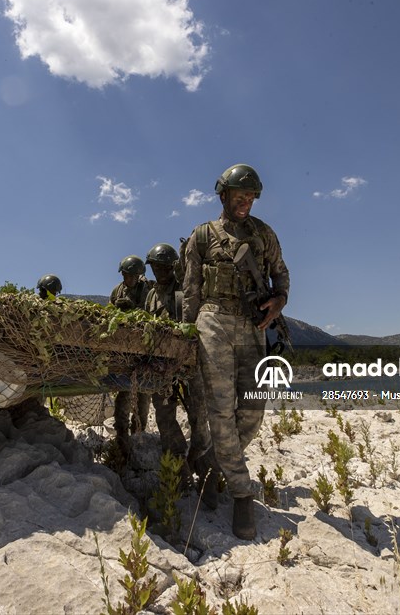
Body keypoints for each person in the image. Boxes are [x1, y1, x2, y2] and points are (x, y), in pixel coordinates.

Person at [181, 163, 289, 540]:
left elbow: (281, 274)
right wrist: (186, 335)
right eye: (239, 196)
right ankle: (242, 492)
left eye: (251, 197)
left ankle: (212, 464)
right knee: (221, 410)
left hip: (253, 327)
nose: (245, 202)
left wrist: (278, 302)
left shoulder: (263, 234)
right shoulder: (202, 235)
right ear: (223, 195)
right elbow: (191, 289)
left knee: (253, 411)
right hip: (212, 323)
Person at [143, 243, 214, 497]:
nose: (159, 272)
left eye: (163, 267)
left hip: (188, 363)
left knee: (198, 415)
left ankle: (202, 461)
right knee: (164, 415)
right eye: (155, 267)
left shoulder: (183, 291)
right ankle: (177, 465)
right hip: (161, 366)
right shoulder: (151, 295)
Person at [109, 255, 152, 453]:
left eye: (132, 276)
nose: (129, 279)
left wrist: (134, 310)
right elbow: (109, 314)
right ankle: (121, 436)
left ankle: (138, 434)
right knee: (123, 394)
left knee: (143, 395)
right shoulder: (117, 291)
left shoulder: (147, 290)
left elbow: (151, 316)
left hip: (144, 349)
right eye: (126, 275)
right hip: (123, 350)